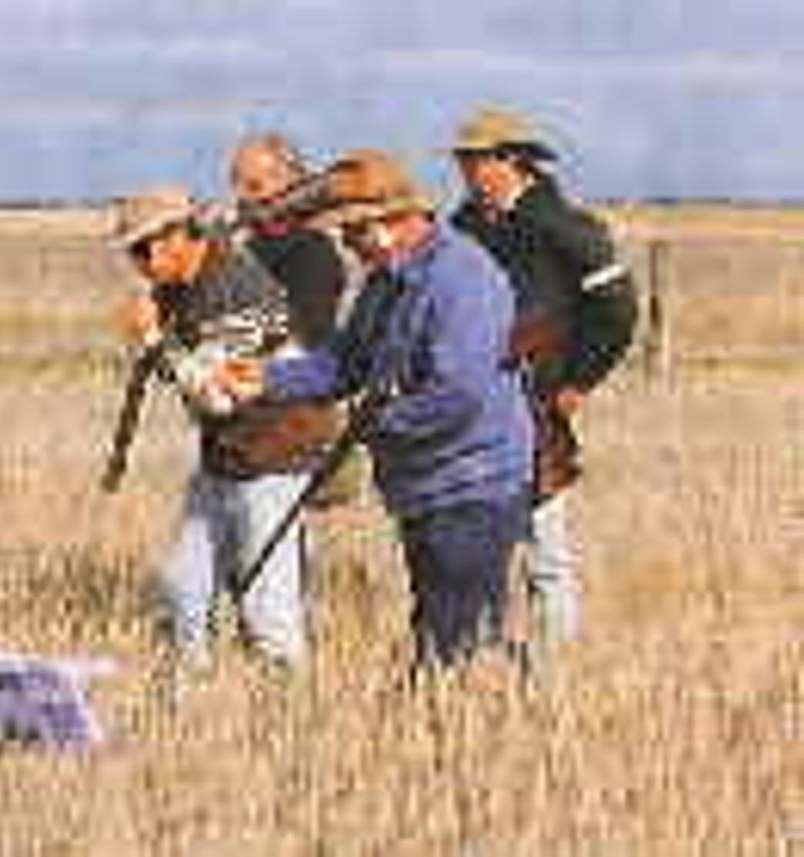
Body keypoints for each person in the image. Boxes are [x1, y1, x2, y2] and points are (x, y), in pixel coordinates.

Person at [214, 150, 533, 669]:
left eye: (353, 233)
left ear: (391, 222)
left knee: (458, 639)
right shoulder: (387, 279)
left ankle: (482, 723)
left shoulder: (462, 278)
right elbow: (346, 361)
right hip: (424, 487)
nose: (348, 245)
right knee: (446, 630)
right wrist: (267, 379)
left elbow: (458, 394)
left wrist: (371, 426)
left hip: (472, 486)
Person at [112, 135, 346, 679]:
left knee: (270, 608)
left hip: (278, 451)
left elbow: (216, 394)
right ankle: (187, 699)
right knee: (184, 586)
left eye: (142, 249)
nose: (137, 265)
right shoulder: (196, 277)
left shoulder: (237, 286)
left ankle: (286, 720)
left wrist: (153, 341)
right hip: (230, 452)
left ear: (176, 239)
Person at [449, 107, 638, 649]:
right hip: (474, 401)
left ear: (513, 160)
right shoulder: (465, 227)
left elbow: (618, 311)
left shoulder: (563, 226)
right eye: (464, 160)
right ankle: (478, 655)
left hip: (537, 398)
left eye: (477, 159)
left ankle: (557, 668)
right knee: (474, 538)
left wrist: (579, 380)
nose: (467, 170)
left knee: (543, 546)